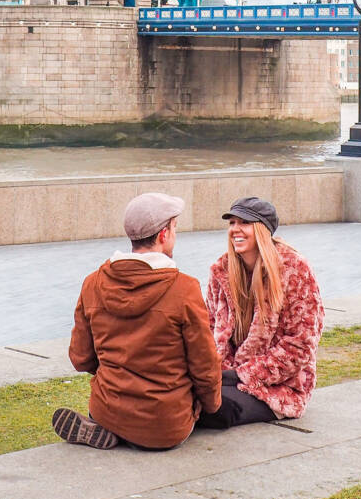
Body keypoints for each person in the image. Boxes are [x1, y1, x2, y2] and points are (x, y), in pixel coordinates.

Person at [54, 192, 221, 450]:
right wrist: (210, 406)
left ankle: (113, 428)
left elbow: (80, 358)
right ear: (164, 235)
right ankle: (134, 431)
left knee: (112, 410)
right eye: (175, 228)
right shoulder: (184, 288)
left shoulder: (93, 282)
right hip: (165, 426)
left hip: (106, 409)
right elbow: (204, 365)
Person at [200, 197, 324, 428]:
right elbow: (209, 327)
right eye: (232, 222)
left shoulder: (294, 270)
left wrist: (242, 375)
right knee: (177, 393)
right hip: (226, 373)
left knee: (212, 408)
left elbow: (301, 345)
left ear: (262, 230)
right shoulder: (222, 270)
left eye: (244, 223)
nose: (235, 229)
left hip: (278, 386)